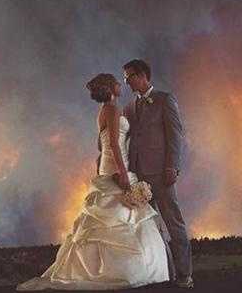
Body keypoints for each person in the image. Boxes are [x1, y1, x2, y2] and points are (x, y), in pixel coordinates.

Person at [16, 73, 169, 291]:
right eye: (117, 82)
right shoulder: (113, 110)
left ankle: (103, 268)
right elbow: (115, 145)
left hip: (108, 165)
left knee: (111, 217)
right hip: (117, 165)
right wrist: (123, 173)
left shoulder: (103, 111)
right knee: (121, 217)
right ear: (110, 87)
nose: (120, 84)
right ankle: (122, 271)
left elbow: (101, 144)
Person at [122, 59, 193, 289]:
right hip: (138, 175)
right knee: (150, 228)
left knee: (173, 222)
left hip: (161, 174)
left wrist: (173, 166)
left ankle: (185, 275)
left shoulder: (164, 99)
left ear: (142, 75)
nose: (126, 81)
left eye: (129, 76)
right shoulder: (130, 107)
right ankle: (164, 273)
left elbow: (176, 135)